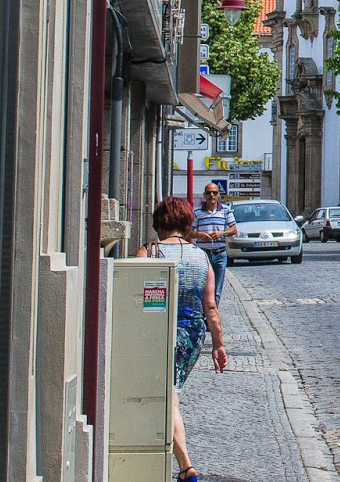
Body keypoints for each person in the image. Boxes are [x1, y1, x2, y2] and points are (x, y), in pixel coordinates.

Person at [137, 196, 226, 482]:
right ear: (187, 224)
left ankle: (186, 467)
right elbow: (210, 307)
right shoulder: (201, 257)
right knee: (168, 393)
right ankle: (175, 463)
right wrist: (218, 344)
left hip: (155, 331)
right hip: (191, 335)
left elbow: (134, 297)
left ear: (159, 222)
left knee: (167, 397)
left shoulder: (148, 253)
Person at [192, 183, 236, 301]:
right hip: (203, 255)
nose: (211, 195)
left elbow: (234, 229)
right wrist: (198, 234)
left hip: (220, 254)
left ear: (218, 195)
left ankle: (212, 316)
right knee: (202, 286)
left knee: (217, 290)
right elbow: (187, 232)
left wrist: (223, 233)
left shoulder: (225, 210)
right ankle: (202, 313)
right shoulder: (197, 212)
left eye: (214, 192)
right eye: (209, 192)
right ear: (204, 195)